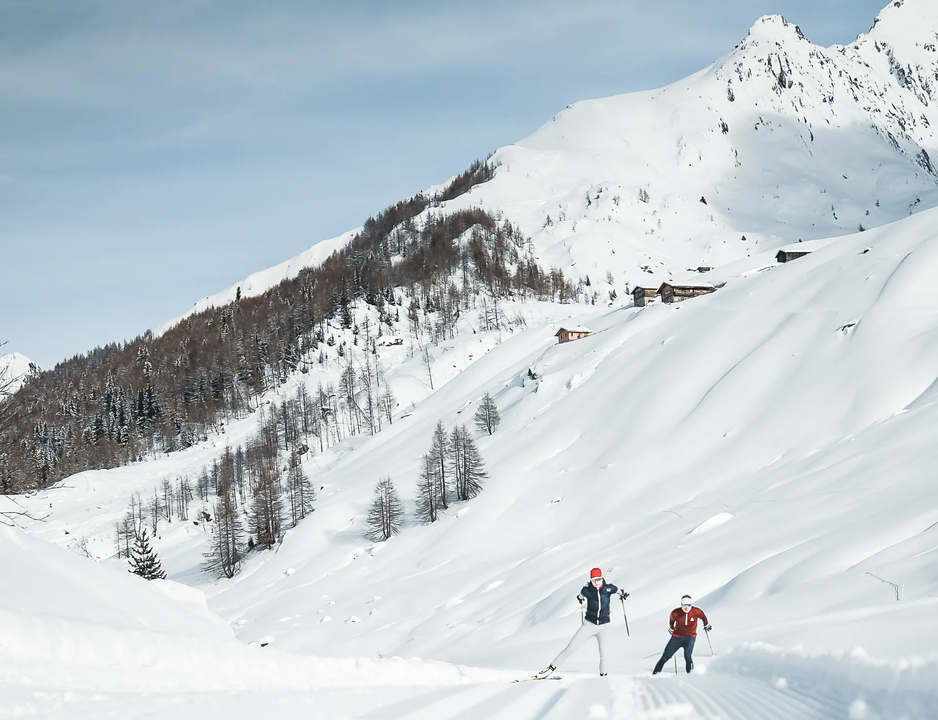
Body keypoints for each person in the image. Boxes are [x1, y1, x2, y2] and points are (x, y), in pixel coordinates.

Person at [537, 567, 628, 678]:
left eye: (598, 579)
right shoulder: (586, 591)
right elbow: (580, 595)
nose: (596, 582)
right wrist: (580, 598)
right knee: (570, 648)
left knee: (604, 654)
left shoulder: (609, 588)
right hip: (588, 625)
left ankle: (603, 677)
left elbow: (619, 591)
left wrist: (623, 594)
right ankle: (550, 669)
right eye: (594, 580)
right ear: (591, 580)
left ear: (602, 578)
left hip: (604, 627)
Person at [652, 594, 711, 674]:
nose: (686, 608)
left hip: (690, 637)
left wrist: (706, 625)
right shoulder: (675, 613)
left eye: (688, 605)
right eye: (684, 605)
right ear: (681, 605)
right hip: (676, 638)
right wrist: (671, 628)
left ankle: (690, 674)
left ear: (691, 604)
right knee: (666, 656)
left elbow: (703, 617)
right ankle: (655, 674)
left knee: (687, 656)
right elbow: (672, 621)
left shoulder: (696, 611)